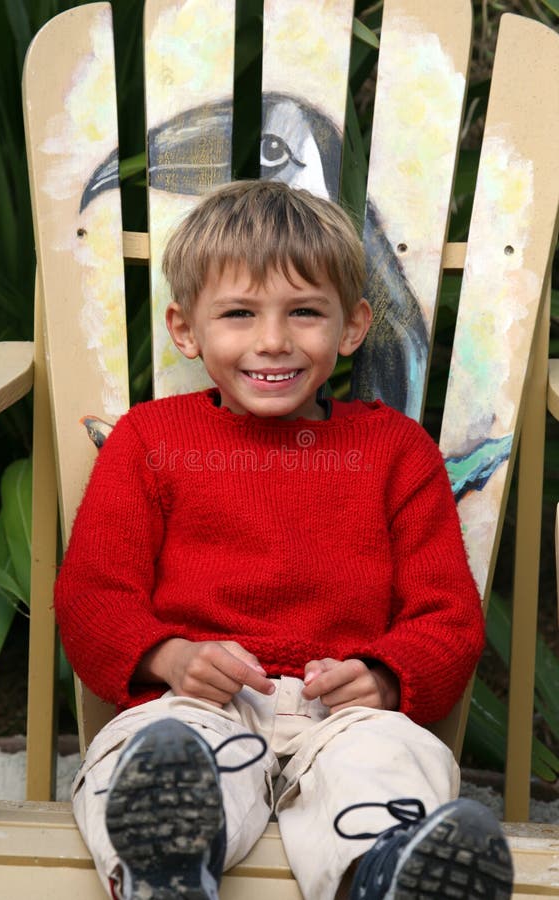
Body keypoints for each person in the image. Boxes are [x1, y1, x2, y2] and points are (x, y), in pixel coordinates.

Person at [54, 180, 513, 900]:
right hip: (198, 700)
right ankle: (165, 862)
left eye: (305, 313)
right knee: (160, 759)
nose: (273, 340)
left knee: (387, 764)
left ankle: (386, 873)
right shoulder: (150, 440)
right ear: (186, 329)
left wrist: (387, 674)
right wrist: (169, 656)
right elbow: (92, 595)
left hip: (345, 712)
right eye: (238, 314)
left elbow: (447, 615)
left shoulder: (396, 451)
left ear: (353, 326)